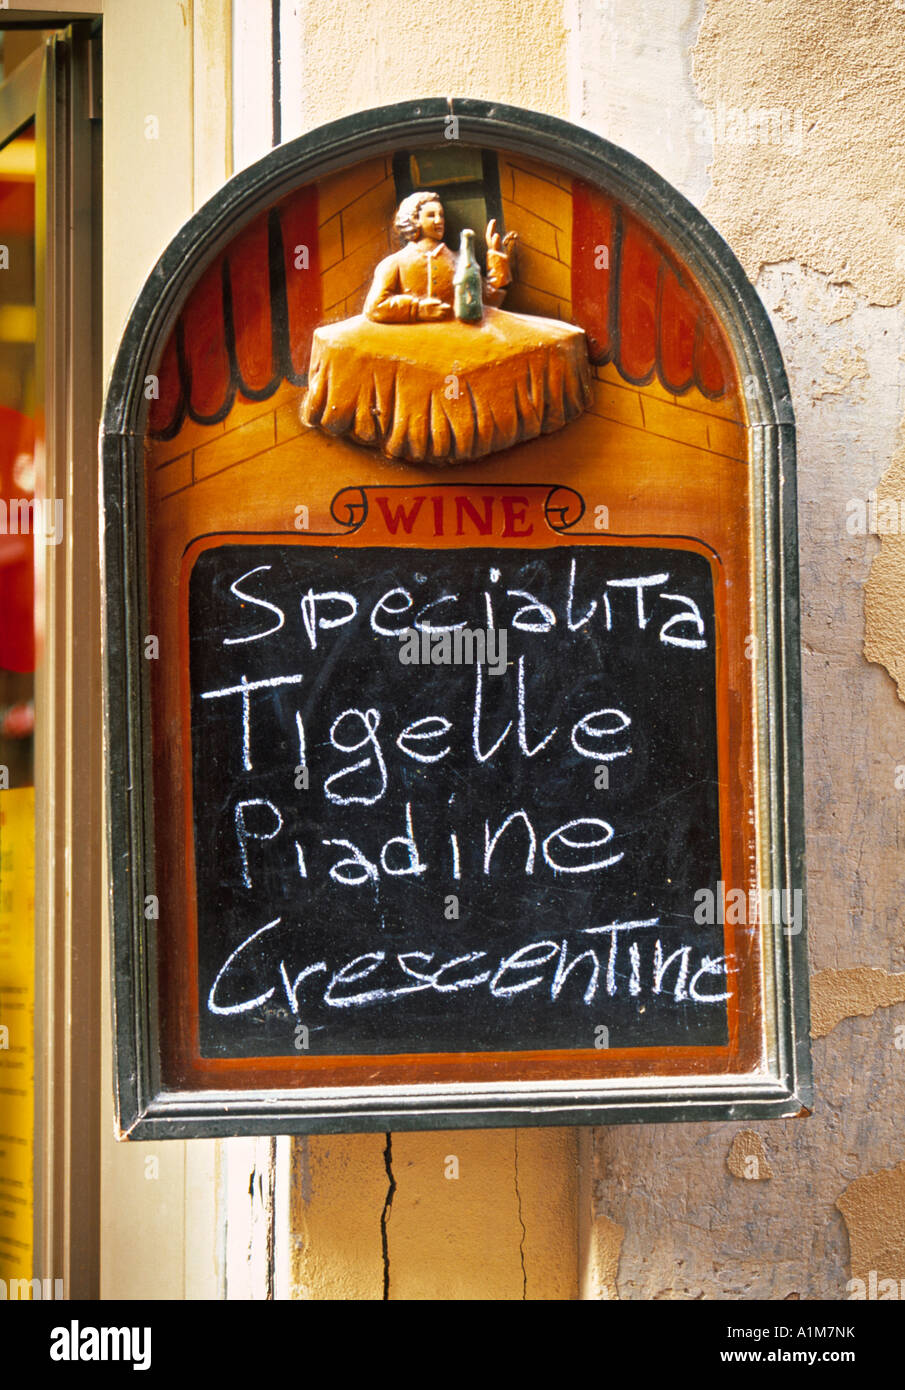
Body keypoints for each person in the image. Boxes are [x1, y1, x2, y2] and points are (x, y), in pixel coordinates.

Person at [363, 191, 517, 323]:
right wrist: (417, 309)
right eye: (431, 215)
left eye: (441, 215)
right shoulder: (394, 263)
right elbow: (374, 307)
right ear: (414, 219)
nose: (439, 221)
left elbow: (489, 301)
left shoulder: (459, 262)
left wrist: (494, 253)